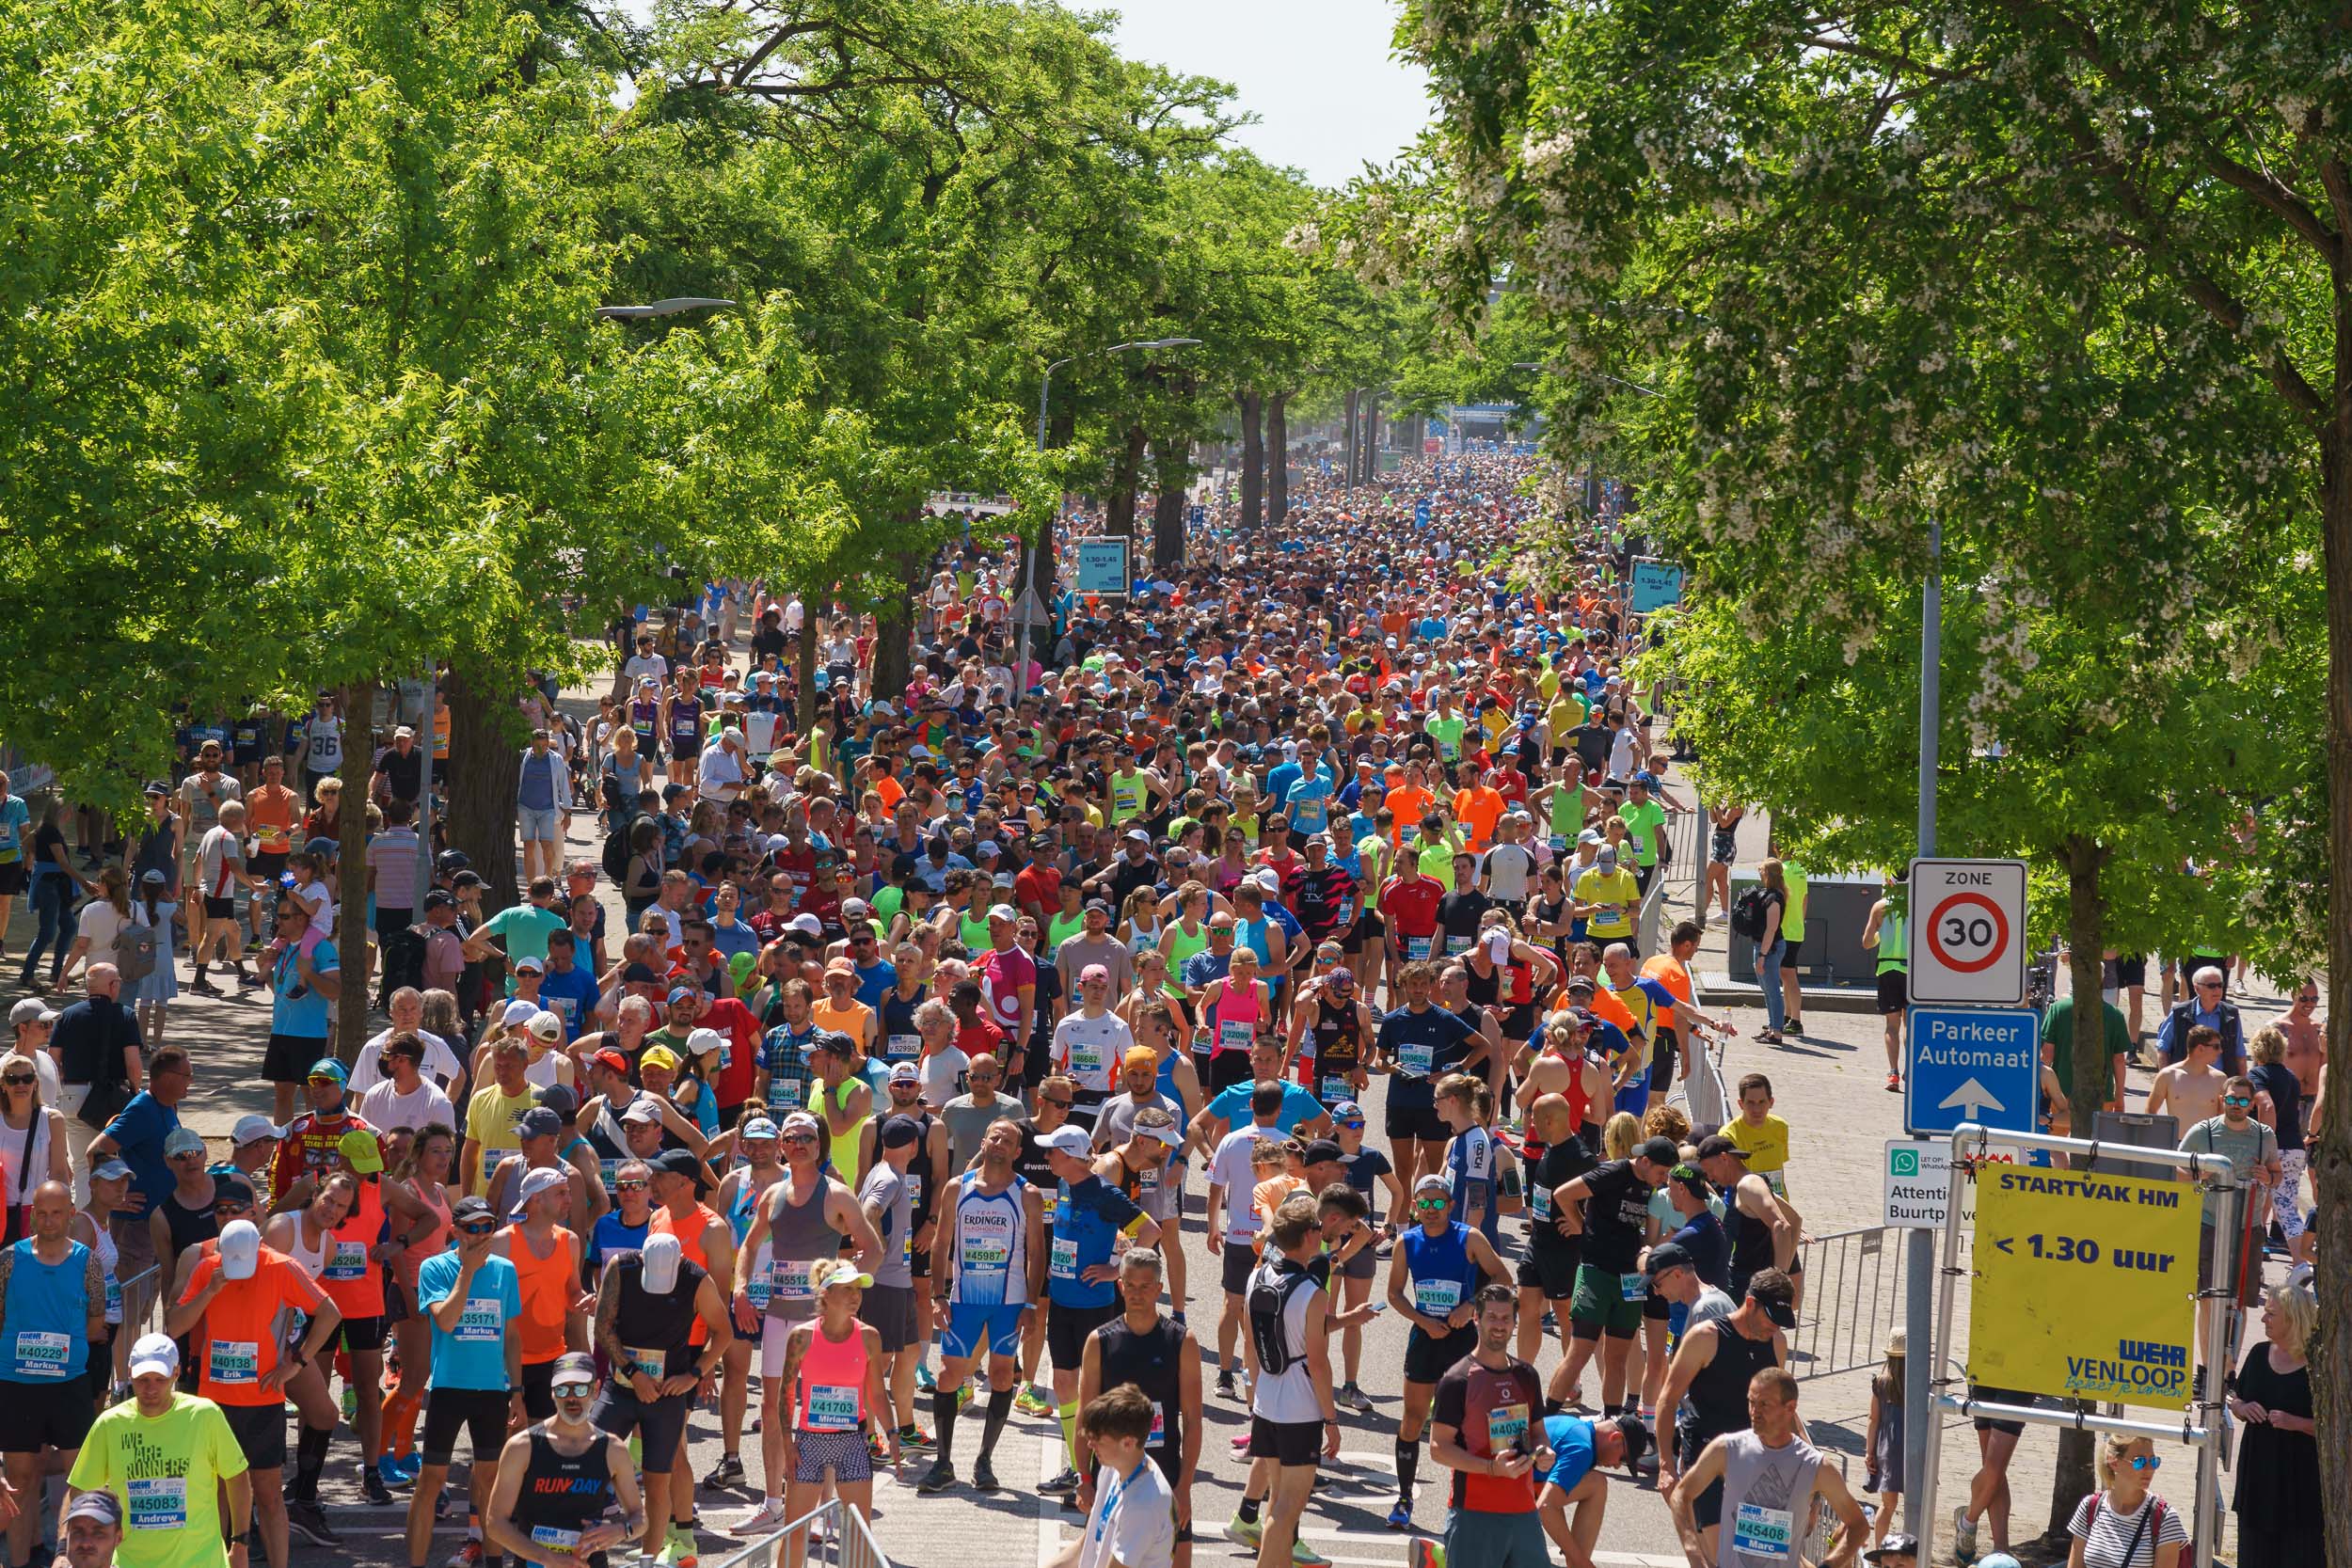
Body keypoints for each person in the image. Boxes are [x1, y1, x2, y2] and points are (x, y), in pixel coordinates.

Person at [727, 1110, 882, 1528]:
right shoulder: (773, 1196)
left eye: (806, 1139)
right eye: (791, 1138)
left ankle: (822, 1511)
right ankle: (773, 1504)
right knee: (777, 1409)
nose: (798, 1145)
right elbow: (749, 1244)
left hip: (821, 1326)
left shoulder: (836, 1194)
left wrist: (848, 1296)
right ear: (783, 1146)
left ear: (819, 1146)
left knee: (824, 1416)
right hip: (780, 1318)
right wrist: (740, 1287)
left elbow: (872, 1247)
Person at [163, 1218, 343, 1564]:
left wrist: (297, 1362)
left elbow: (329, 1312)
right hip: (214, 1404)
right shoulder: (208, 1268)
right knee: (215, 1493)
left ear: (260, 1247)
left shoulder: (281, 1266)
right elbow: (175, 1325)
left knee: (269, 1496)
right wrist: (210, 1290)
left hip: (263, 1402)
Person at [914, 1117, 1044, 1498]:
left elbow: (1037, 1253)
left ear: (1018, 1152)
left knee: (1003, 1377)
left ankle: (984, 1459)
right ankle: (943, 1462)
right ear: (984, 1141)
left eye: (1008, 1140)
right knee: (946, 1377)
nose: (1000, 1142)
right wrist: (939, 1296)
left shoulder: (1028, 1194)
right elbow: (940, 1245)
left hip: (1008, 1301)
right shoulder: (958, 1188)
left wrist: (1032, 1305)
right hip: (964, 1299)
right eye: (995, 1136)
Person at [589, 1230, 732, 1565]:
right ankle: (583, 1547)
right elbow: (602, 1327)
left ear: (680, 1262)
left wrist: (694, 1375)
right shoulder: (620, 1268)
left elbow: (723, 1331)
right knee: (589, 1459)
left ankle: (649, 1559)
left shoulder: (696, 1278)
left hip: (668, 1394)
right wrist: (634, 1374)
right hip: (621, 1387)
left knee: (657, 1481)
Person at [1036, 1122, 1162, 1498]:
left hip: (1093, 1305)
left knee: (1095, 1389)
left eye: (1052, 1151)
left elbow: (1150, 1231)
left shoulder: (1105, 1192)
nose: (1046, 1157)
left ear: (1073, 1157)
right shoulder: (1063, 1184)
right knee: (1062, 1384)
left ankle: (1097, 1466)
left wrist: (1115, 1270)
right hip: (1061, 1300)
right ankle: (1078, 1469)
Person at [1387, 1172, 1510, 1531]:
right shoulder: (1406, 1242)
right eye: (1423, 1203)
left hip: (1462, 1340)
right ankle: (1404, 1497)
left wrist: (1469, 1306)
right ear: (1415, 1206)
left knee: (1473, 1423)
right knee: (1412, 1418)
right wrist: (1421, 1320)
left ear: (1451, 1205)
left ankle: (1477, 1500)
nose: (1430, 1210)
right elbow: (1394, 1293)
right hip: (1425, 1339)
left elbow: (1503, 1278)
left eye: (1438, 1202)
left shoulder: (1468, 1237)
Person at [66, 1333, 250, 1568]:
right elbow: (80, 1489)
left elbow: (237, 1477)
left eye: (159, 1379)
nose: (150, 1388)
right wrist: (74, 1549)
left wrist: (240, 1545)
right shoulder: (110, 1424)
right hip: (131, 1562)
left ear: (176, 1372)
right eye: (143, 1379)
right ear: (130, 1371)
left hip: (201, 1561)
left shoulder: (205, 1415)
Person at [408, 1195, 522, 1568]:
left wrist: (517, 1390)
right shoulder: (434, 1268)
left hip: (491, 1390)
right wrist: (467, 1271)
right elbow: (446, 1321)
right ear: (455, 1230)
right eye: (472, 1227)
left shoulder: (505, 1270)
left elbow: (511, 1335)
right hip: (447, 1388)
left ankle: (494, 1562)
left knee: (490, 1482)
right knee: (430, 1482)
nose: (481, 1234)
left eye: (487, 1226)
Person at [0, 1181, 107, 1568]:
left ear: (71, 1214)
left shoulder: (87, 1260)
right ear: (33, 1216)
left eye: (56, 1213)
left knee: (81, 1479)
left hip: (69, 1386)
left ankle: (72, 1558)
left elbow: (97, 1321)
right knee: (20, 1481)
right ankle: (19, 1561)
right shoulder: (10, 1259)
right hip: (18, 1385)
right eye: (41, 1213)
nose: (48, 1221)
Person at [1668, 1366, 1865, 1568]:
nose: (1755, 1412)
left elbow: (1859, 1526)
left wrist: (1828, 1566)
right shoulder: (1727, 1448)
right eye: (1751, 1403)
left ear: (1790, 1408)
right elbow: (1681, 1496)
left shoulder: (1814, 1466)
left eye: (1764, 1404)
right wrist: (1695, 1555)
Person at [1075, 1248, 1200, 1568]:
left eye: (1145, 1286)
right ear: (1119, 1286)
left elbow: (1194, 1421)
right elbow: (1084, 1417)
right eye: (1129, 1285)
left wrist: (1184, 1487)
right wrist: (1085, 1477)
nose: (1136, 1293)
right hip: (1114, 1476)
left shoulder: (1182, 1341)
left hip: (1165, 1476)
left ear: (1159, 1289)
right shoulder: (1100, 1341)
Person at [1232, 1200, 1338, 1568]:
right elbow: (1319, 1364)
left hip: (1266, 1402)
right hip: (1300, 1409)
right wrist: (1332, 1419)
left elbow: (1248, 1344)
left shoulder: (1255, 1276)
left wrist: (1254, 1396)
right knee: (1287, 1509)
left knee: (1277, 1502)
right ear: (1309, 1236)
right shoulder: (1313, 1292)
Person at [775, 1259, 896, 1568]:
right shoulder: (802, 1337)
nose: (855, 1296)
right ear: (826, 1294)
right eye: (847, 1289)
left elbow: (877, 1394)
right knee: (795, 1533)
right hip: (810, 1443)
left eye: (858, 1290)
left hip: (852, 1442)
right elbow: (786, 1392)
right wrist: (788, 1444)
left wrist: (892, 1433)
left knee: (858, 1534)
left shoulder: (869, 1337)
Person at [1550, 1133, 1680, 1418]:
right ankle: (1545, 1417)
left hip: (1631, 1279)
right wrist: (1584, 1229)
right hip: (1597, 1272)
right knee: (1580, 1353)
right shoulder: (1613, 1172)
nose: (1662, 1179)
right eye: (1661, 1173)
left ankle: (1611, 1420)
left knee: (1617, 1357)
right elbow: (1562, 1194)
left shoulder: (1650, 1186)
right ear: (1644, 1162)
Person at [1655, 1269, 1795, 1524]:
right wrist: (1665, 1464)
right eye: (1772, 1318)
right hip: (1703, 1456)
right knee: (1716, 1555)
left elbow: (1780, 1408)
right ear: (1750, 1304)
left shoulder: (1777, 1343)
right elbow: (1668, 1398)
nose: (1775, 1326)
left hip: (1751, 1462)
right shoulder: (1706, 1337)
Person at [483, 1352, 646, 1568]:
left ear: (595, 1389)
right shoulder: (522, 1447)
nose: (571, 1398)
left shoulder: (612, 1449)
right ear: (552, 1393)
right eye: (562, 1389)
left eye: (580, 1388)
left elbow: (640, 1518)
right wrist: (547, 1558)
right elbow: (495, 1523)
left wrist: (621, 1531)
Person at [2229, 1275, 2319, 1568]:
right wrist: (2243, 1407)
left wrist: (2298, 1423)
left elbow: (2337, 1430)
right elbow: (2236, 1401)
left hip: (2301, 1490)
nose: (2264, 1318)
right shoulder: (2257, 1355)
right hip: (2258, 1483)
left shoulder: (2319, 1367)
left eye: (2271, 1313)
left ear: (2293, 1319)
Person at [1048, 1385, 1176, 1568]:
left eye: (1098, 1439)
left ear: (1128, 1442)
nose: (1090, 1444)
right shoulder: (1112, 1468)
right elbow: (1085, 1545)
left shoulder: (1144, 1504)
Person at [1527, 1407, 1648, 1568]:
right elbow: (1546, 1506)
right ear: (1616, 1438)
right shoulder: (1582, 1449)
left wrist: (1570, 1548)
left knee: (1596, 1482)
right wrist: (1580, 1560)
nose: (1618, 1466)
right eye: (1623, 1459)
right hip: (1507, 1494)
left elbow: (1550, 1489)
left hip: (1518, 1481)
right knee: (1597, 1485)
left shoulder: (1578, 1428)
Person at [2062, 1433, 2188, 1568]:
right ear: (2114, 1462)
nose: (2149, 1469)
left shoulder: (2165, 1518)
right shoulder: (2089, 1507)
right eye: (2139, 1462)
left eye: (2153, 1461)